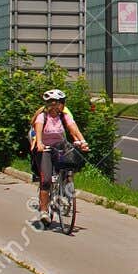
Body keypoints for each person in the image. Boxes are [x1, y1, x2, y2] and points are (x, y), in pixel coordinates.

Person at [31, 89, 89, 227]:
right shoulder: (42, 117)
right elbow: (38, 131)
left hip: (60, 146)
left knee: (70, 164)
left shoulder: (63, 116)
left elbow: (73, 128)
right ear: (54, 104)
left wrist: (82, 140)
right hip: (45, 148)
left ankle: (64, 189)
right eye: (61, 102)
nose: (63, 105)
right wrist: (39, 143)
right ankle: (44, 211)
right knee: (45, 180)